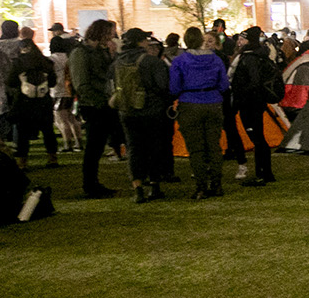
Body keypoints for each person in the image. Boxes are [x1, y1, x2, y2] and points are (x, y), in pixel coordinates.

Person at [112, 28, 174, 202]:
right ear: (141, 41)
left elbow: (110, 85)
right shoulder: (152, 62)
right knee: (154, 148)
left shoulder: (117, 62)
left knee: (133, 148)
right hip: (152, 110)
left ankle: (137, 187)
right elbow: (164, 86)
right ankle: (154, 185)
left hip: (127, 110)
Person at [169, 25, 228, 198]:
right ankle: (216, 184)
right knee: (214, 146)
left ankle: (201, 186)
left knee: (196, 149)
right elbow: (224, 84)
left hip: (189, 104)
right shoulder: (215, 59)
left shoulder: (180, 61)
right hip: (213, 102)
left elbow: (174, 87)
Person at [68, 19, 120, 198]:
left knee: (97, 147)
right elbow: (81, 83)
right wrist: (101, 100)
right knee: (93, 147)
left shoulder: (100, 52)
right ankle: (90, 185)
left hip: (103, 103)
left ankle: (93, 183)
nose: (113, 36)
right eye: (110, 33)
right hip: (93, 105)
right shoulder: (81, 53)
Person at [230, 27, 279, 187]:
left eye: (243, 39)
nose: (239, 41)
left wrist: (240, 94)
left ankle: (261, 174)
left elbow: (253, 81)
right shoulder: (260, 55)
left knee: (257, 139)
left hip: (249, 102)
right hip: (256, 102)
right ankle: (267, 172)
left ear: (249, 41)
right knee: (259, 138)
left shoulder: (249, 57)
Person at [4, 29, 59, 168]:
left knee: (22, 133)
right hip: (43, 101)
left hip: (24, 101)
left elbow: (10, 81)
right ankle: (52, 158)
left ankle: (23, 162)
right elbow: (52, 82)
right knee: (48, 131)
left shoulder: (18, 63)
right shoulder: (46, 62)